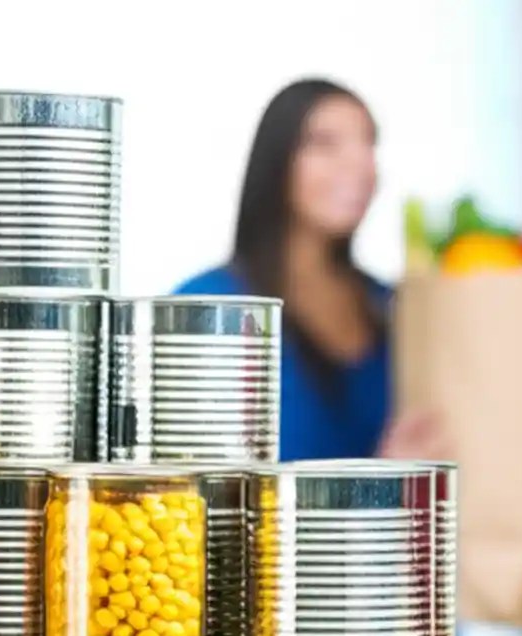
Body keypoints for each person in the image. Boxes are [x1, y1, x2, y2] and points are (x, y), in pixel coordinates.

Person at [176, 78, 445, 462]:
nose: (361, 164)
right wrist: (382, 478)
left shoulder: (389, 305)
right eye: (325, 143)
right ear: (277, 160)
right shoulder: (208, 308)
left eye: (369, 143)